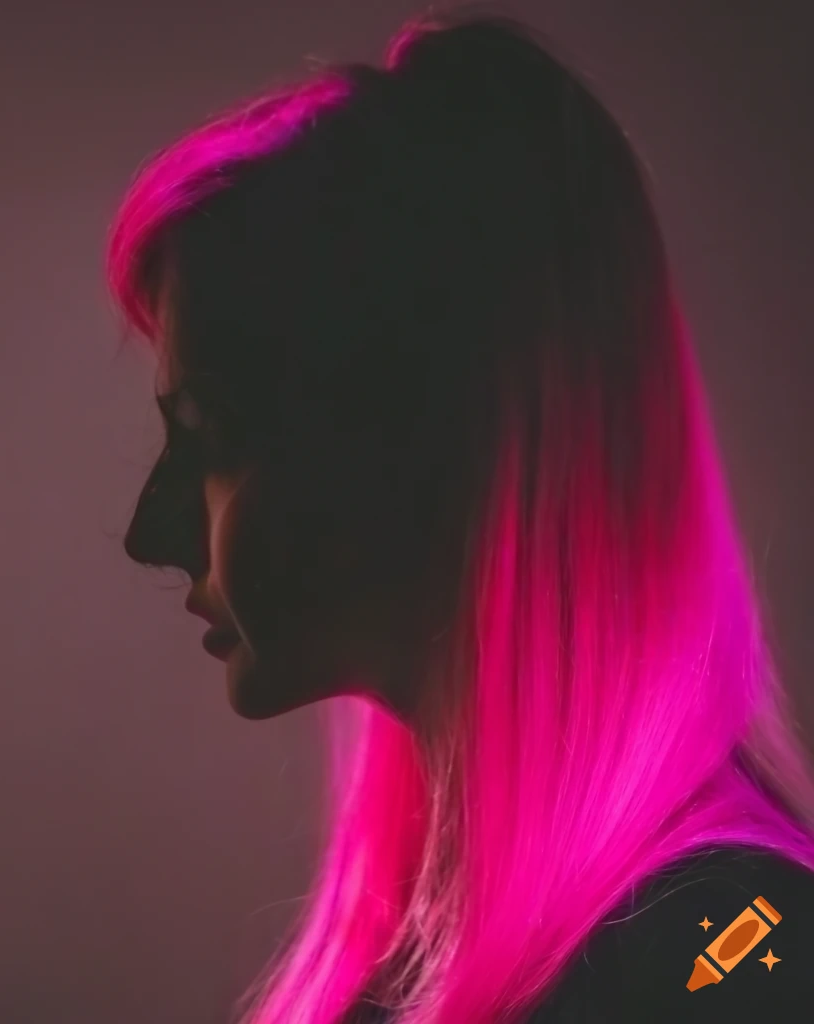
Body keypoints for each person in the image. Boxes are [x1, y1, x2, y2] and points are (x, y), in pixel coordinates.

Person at [106, 4, 814, 1021]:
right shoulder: (417, 951)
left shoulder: (727, 955)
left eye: (213, 438)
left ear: (422, 442)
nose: (148, 534)